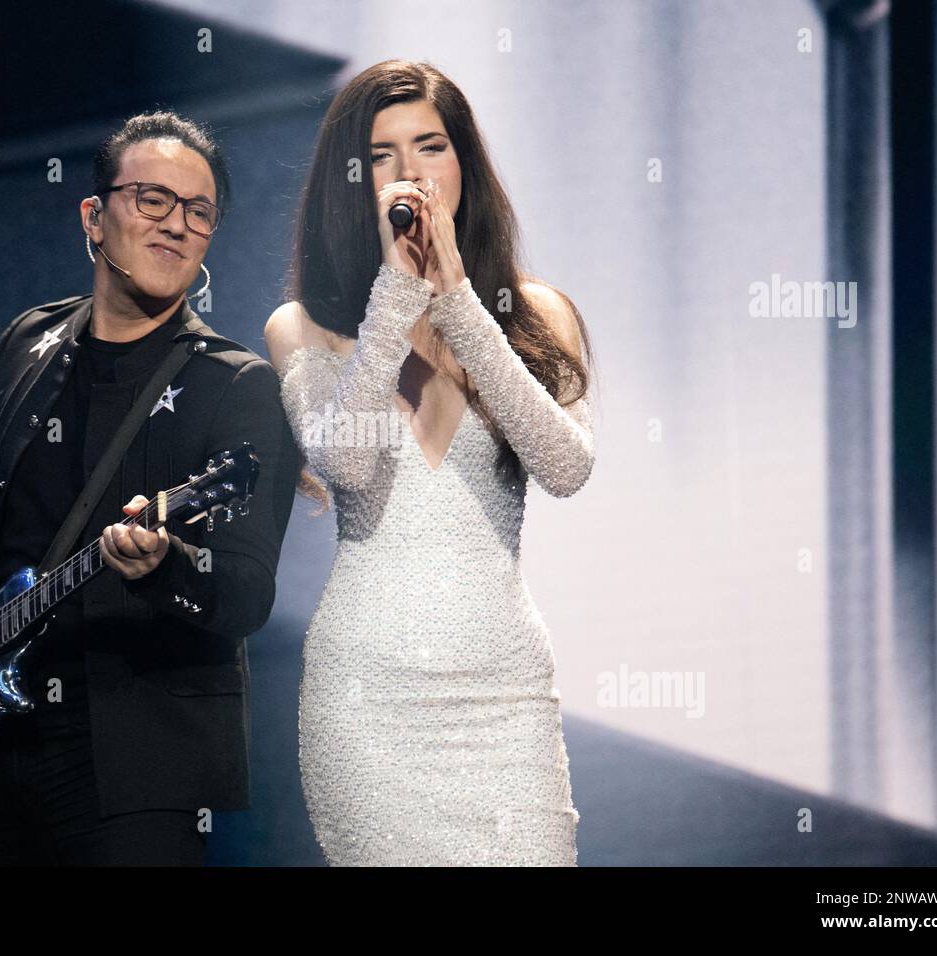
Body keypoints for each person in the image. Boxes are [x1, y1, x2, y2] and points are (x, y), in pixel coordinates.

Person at [0, 111, 300, 865]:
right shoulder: (25, 346)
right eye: (152, 200)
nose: (176, 225)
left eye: (199, 212)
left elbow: (247, 594)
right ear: (94, 217)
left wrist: (165, 566)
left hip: (137, 767)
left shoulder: (235, 387)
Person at [264, 61, 597, 865]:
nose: (410, 172)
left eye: (431, 145)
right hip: (369, 705)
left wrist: (456, 301)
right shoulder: (305, 327)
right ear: (353, 179)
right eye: (381, 155)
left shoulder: (539, 310)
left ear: (465, 164)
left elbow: (566, 466)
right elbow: (344, 461)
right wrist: (398, 297)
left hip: (506, 700)